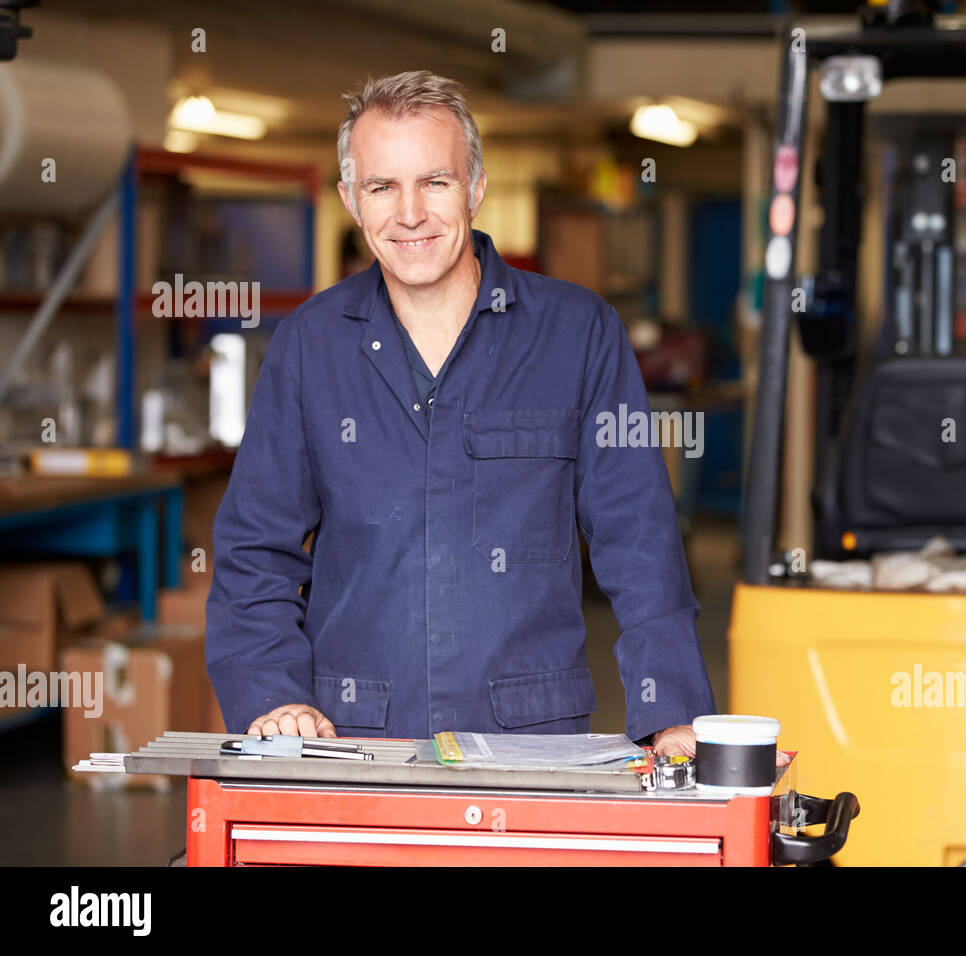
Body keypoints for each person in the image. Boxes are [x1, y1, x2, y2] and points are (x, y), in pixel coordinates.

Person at [205, 71, 714, 758]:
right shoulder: (310, 345)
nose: (409, 214)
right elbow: (253, 550)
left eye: (435, 183)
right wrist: (273, 694)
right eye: (383, 187)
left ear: (475, 188)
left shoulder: (576, 333)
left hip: (528, 742)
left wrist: (670, 708)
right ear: (352, 200)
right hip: (354, 740)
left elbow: (638, 536)